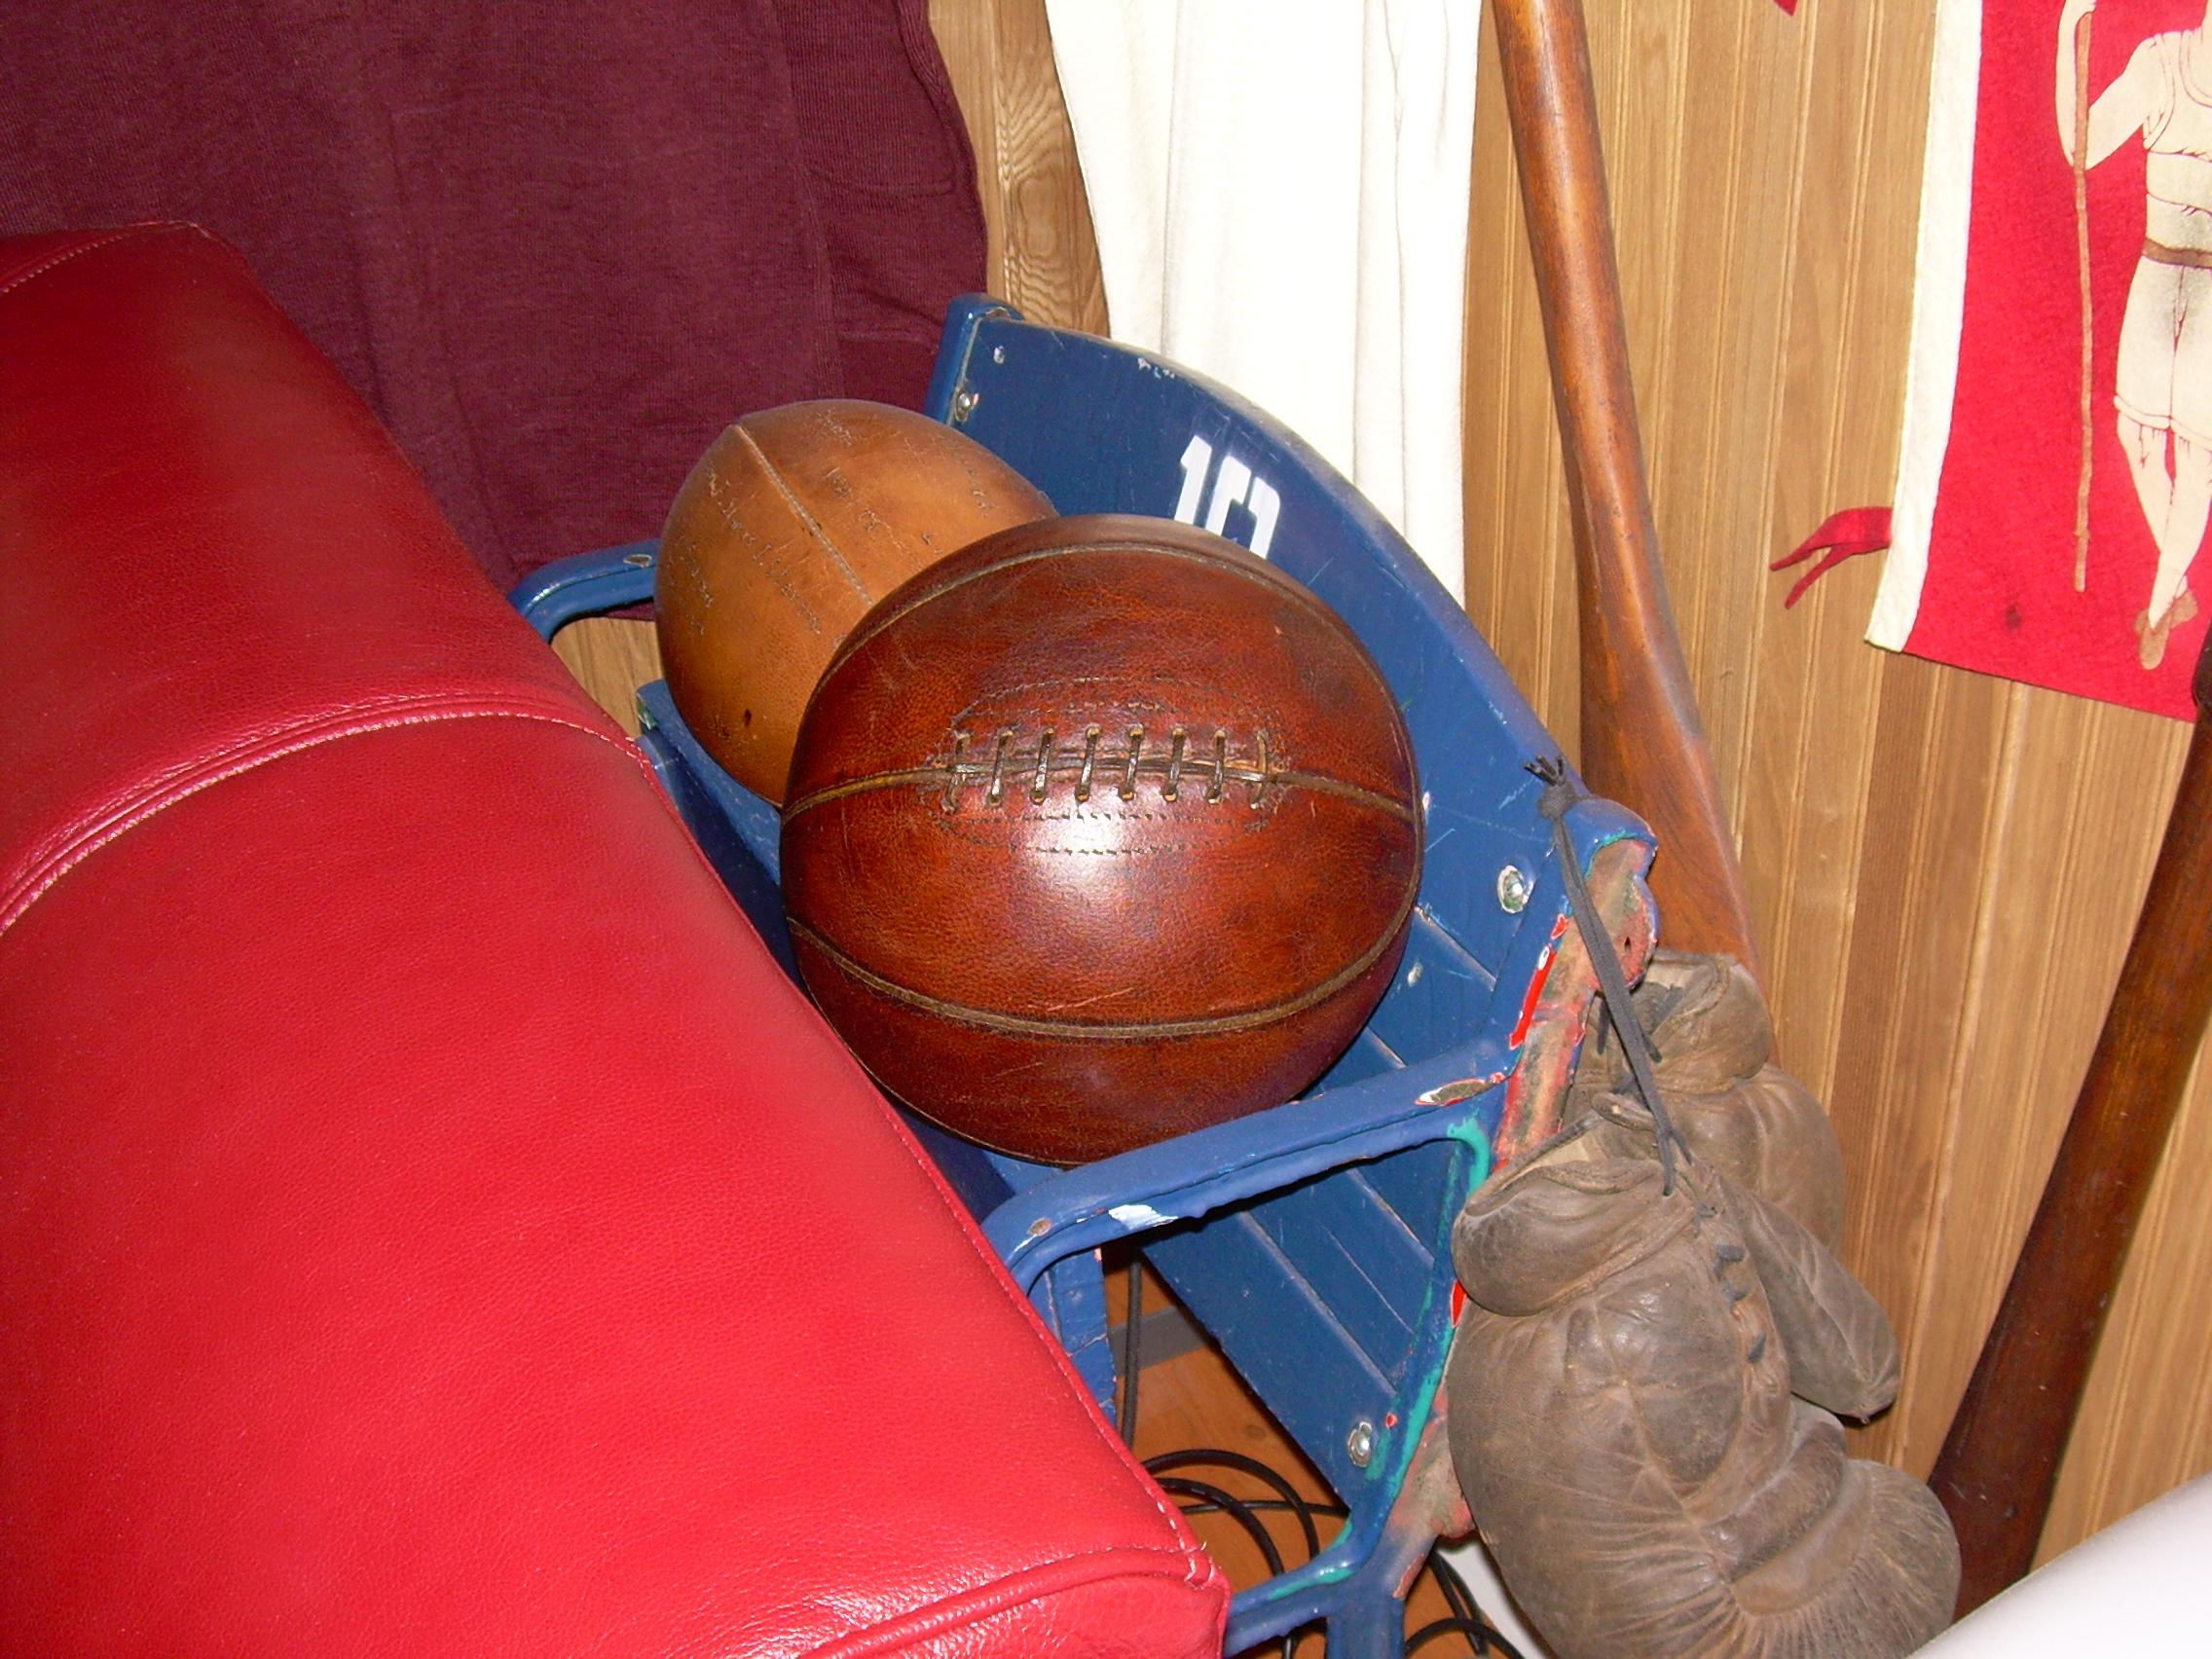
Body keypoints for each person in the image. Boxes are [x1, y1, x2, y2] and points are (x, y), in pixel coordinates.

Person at [2060, 0, 2212, 668]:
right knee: (2139, 440)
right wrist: (2069, 30)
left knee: (2200, 456)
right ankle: (2176, 588)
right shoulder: (2161, 60)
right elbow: (2080, 147)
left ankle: (2156, 606)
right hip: (2157, 272)